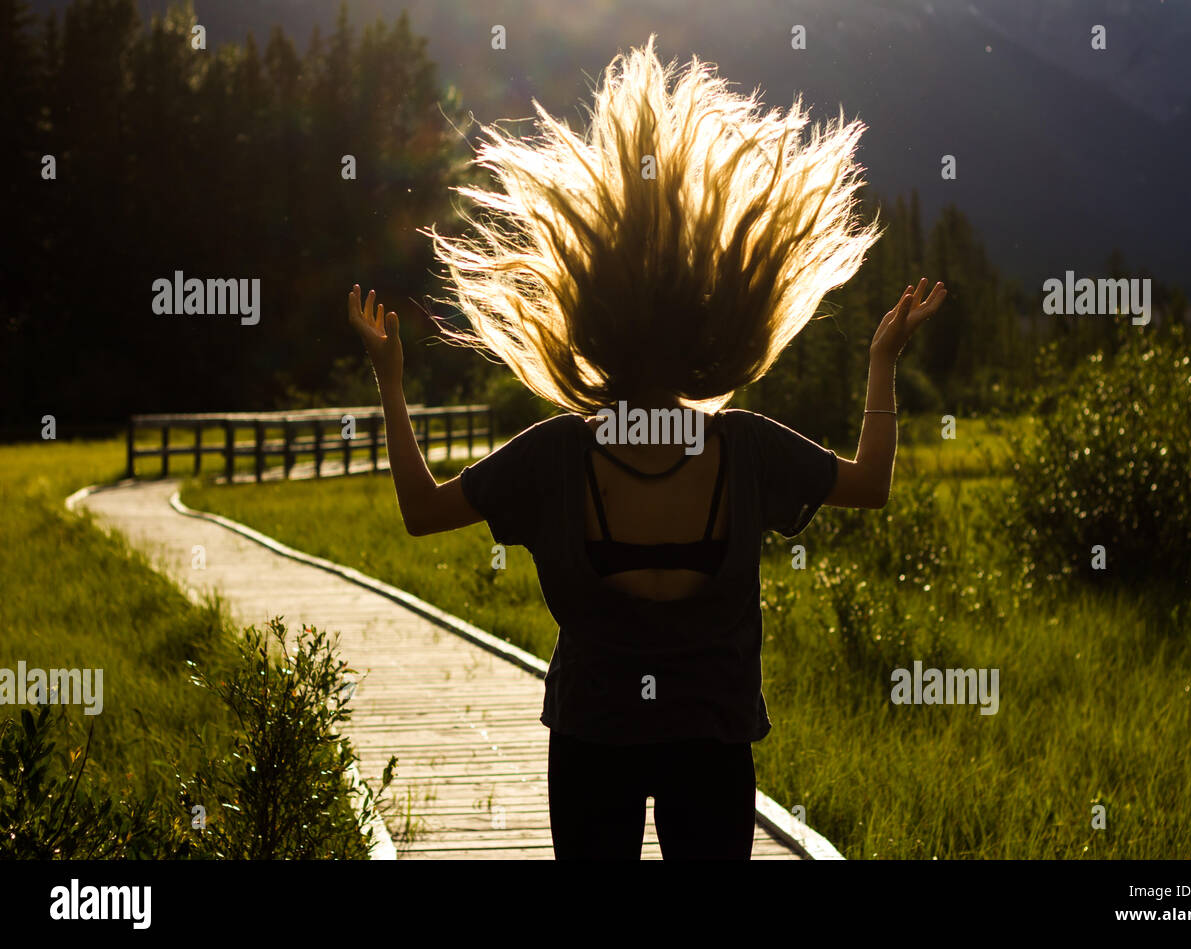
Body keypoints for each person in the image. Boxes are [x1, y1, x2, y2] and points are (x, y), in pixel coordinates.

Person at [347, 35, 944, 859]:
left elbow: (421, 512)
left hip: (594, 737)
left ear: (592, 328)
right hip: (714, 739)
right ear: (713, 325)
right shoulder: (745, 448)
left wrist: (390, 379)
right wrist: (882, 363)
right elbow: (871, 484)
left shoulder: (556, 454)